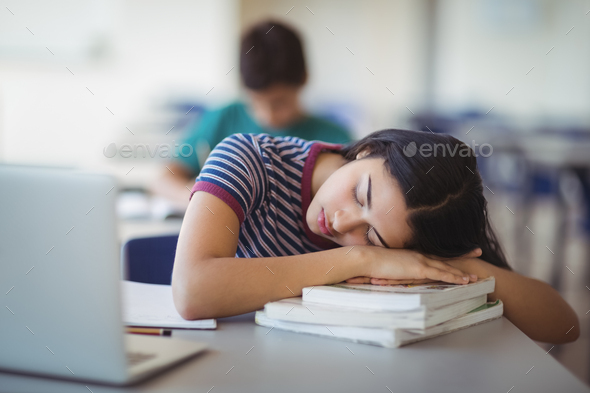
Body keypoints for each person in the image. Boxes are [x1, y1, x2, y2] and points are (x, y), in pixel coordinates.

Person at [171, 129, 580, 345]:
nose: (344, 222)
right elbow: (193, 291)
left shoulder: (404, 246)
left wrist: (455, 262)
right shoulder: (248, 158)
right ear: (367, 149)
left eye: (372, 236)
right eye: (359, 193)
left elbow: (564, 327)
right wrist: (360, 259)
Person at [152, 20, 352, 210]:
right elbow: (163, 179)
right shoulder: (223, 118)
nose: (268, 116)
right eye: (256, 101)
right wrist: (204, 202)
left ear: (304, 79)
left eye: (280, 102)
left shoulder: (334, 139)